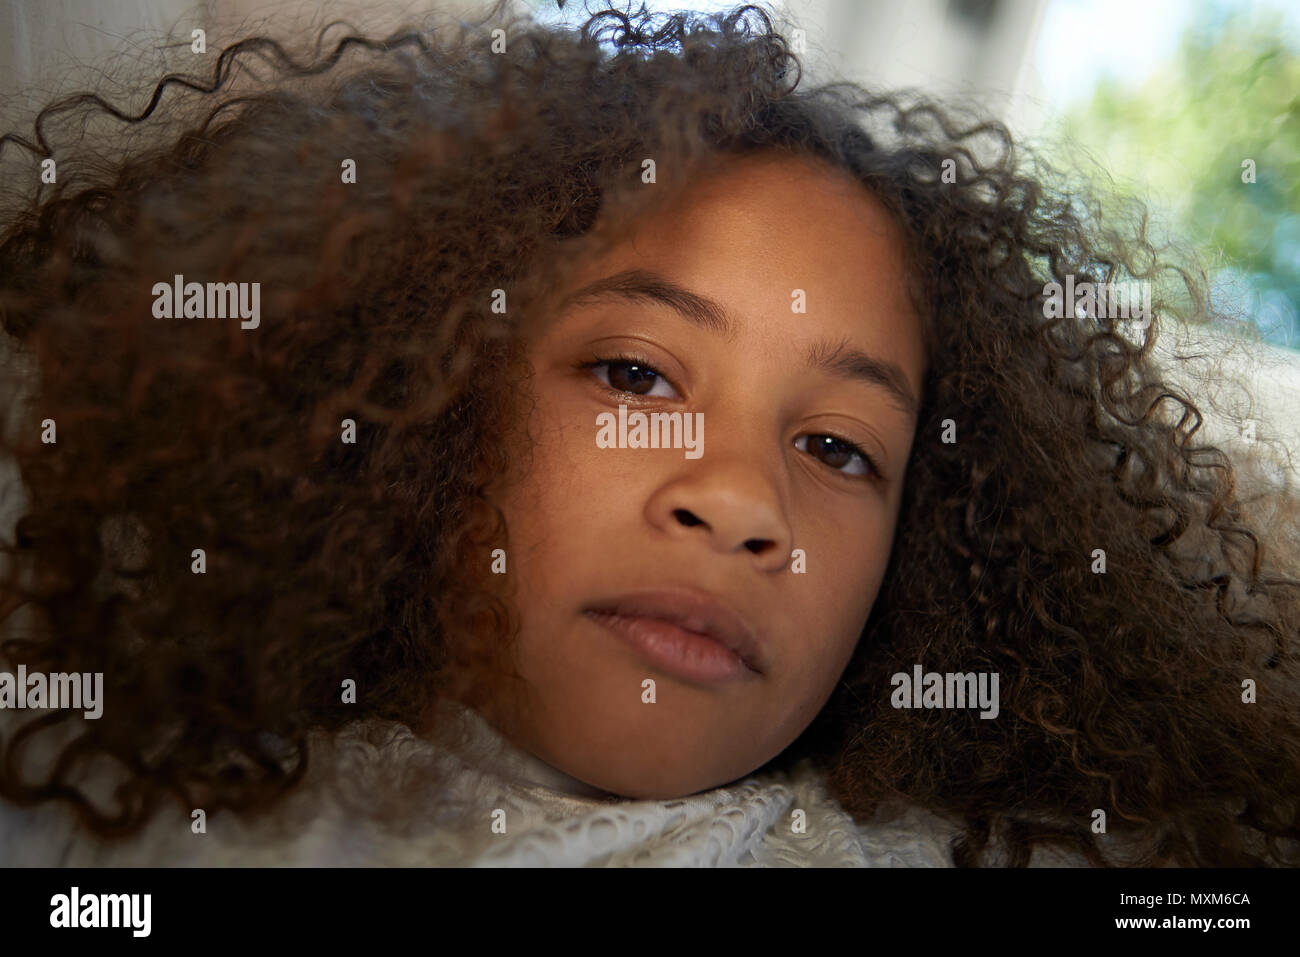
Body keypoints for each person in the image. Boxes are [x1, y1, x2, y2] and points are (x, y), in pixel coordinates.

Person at [0, 0, 1297, 867]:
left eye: (839, 448)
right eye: (634, 373)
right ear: (423, 404)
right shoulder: (115, 796)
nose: (742, 501)